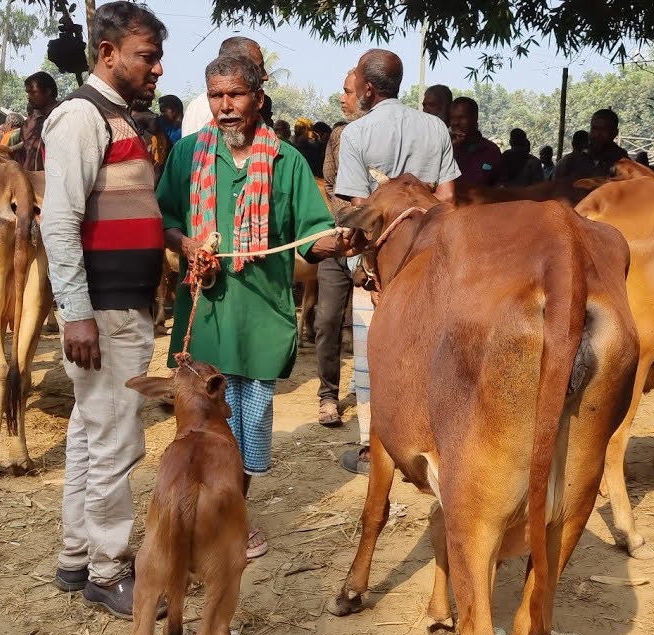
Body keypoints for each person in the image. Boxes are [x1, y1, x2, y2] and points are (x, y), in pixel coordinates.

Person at [158, 54, 346, 560]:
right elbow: (167, 217)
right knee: (198, 427)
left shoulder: (286, 162)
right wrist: (188, 243)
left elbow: (310, 235)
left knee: (242, 434)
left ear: (258, 99)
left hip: (260, 319)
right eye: (217, 96)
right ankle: (197, 517)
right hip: (206, 318)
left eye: (235, 95)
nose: (225, 107)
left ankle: (232, 517)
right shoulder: (187, 155)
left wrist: (336, 242)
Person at [39, 1, 169, 619]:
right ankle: (108, 569)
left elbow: (129, 206)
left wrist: (180, 242)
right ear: (107, 53)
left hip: (121, 304)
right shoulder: (81, 117)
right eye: (146, 56)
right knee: (117, 438)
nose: (157, 69)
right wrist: (77, 312)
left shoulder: (120, 118)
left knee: (92, 436)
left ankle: (75, 557)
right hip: (106, 308)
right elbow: (59, 221)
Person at [334, 48, 460, 474]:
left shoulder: (356, 134)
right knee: (434, 352)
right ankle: (437, 440)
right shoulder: (436, 127)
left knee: (376, 358)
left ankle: (375, 451)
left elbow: (360, 208)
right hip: (435, 262)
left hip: (381, 268)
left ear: (367, 89)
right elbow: (447, 199)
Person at [314, 67, 360, 429]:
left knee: (370, 324)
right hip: (339, 241)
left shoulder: (384, 135)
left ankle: (367, 389)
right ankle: (328, 394)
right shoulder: (339, 136)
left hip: (373, 246)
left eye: (347, 92)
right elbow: (330, 185)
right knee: (327, 320)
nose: (342, 98)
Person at [182, 36, 269, 136]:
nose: (265, 76)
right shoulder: (204, 108)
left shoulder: (281, 149)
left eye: (236, 94)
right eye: (258, 68)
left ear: (259, 99)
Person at [554, 109, 629, 180]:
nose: (597, 134)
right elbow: (555, 188)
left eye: (603, 130)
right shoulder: (571, 161)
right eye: (594, 129)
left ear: (615, 133)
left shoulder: (624, 163)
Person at [450, 96, 503, 189]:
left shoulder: (491, 151)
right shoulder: (446, 149)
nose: (455, 123)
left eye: (461, 117)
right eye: (452, 118)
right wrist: (450, 147)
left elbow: (500, 186)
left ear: (475, 118)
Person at [20, 71, 58, 171]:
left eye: (33, 92)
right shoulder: (28, 124)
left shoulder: (64, 116)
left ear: (47, 92)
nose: (28, 97)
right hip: (29, 182)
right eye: (27, 92)